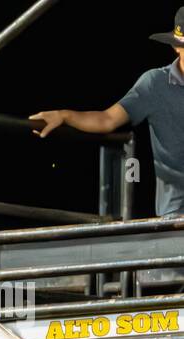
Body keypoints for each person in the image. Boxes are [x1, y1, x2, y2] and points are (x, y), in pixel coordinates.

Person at [31, 7, 184, 218]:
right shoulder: (155, 84)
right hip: (176, 215)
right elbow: (108, 119)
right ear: (177, 47)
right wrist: (64, 115)